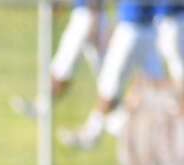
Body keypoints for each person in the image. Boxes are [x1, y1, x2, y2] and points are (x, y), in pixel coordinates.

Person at [60, 1, 165, 148]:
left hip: (140, 29)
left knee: (151, 89)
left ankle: (100, 132)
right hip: (138, 28)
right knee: (115, 86)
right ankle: (100, 131)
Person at [11, 0, 107, 120]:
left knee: (106, 78)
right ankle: (41, 107)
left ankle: (114, 123)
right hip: (83, 15)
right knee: (63, 68)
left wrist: (94, 19)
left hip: (90, 16)